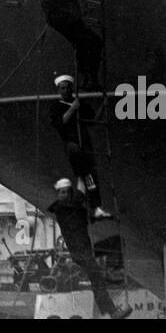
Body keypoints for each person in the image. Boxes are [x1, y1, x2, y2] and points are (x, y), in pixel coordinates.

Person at [47, 179, 132, 319]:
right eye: (62, 192)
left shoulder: (76, 211)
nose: (65, 195)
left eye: (67, 192)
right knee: (96, 279)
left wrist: (113, 216)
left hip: (87, 250)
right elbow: (80, 195)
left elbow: (92, 217)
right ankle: (112, 312)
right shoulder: (61, 209)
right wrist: (81, 176)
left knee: (116, 241)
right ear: (59, 194)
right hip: (80, 253)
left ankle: (113, 273)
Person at [47, 74, 111, 218]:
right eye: (62, 88)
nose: (66, 91)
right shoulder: (56, 107)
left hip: (85, 143)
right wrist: (72, 109)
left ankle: (94, 205)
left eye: (68, 88)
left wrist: (103, 106)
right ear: (59, 90)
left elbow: (92, 121)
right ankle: (83, 185)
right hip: (71, 143)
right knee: (84, 170)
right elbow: (60, 123)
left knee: (90, 177)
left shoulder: (80, 104)